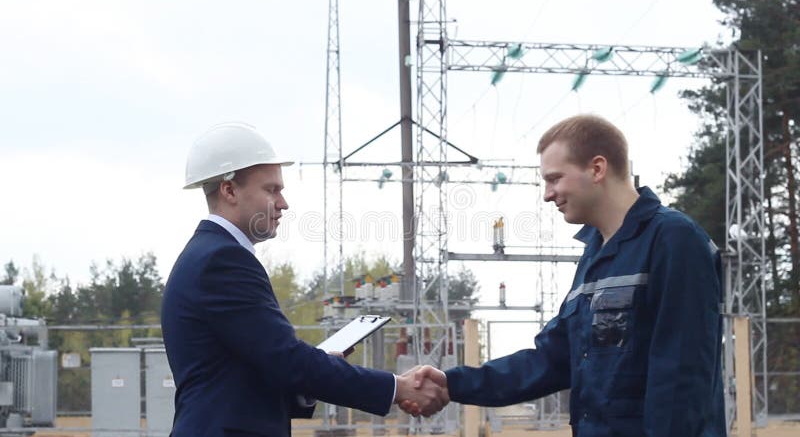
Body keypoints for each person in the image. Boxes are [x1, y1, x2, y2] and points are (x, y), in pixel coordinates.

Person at [404, 114, 727, 436]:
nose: (547, 193)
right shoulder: (594, 255)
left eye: (555, 178)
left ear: (597, 169)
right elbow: (552, 360)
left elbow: (681, 380)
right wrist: (454, 383)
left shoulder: (673, 239)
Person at [161, 123, 447, 437]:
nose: (283, 203)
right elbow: (286, 360)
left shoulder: (211, 255)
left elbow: (256, 373)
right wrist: (397, 388)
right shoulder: (222, 261)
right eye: (271, 190)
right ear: (229, 191)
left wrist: (316, 371)